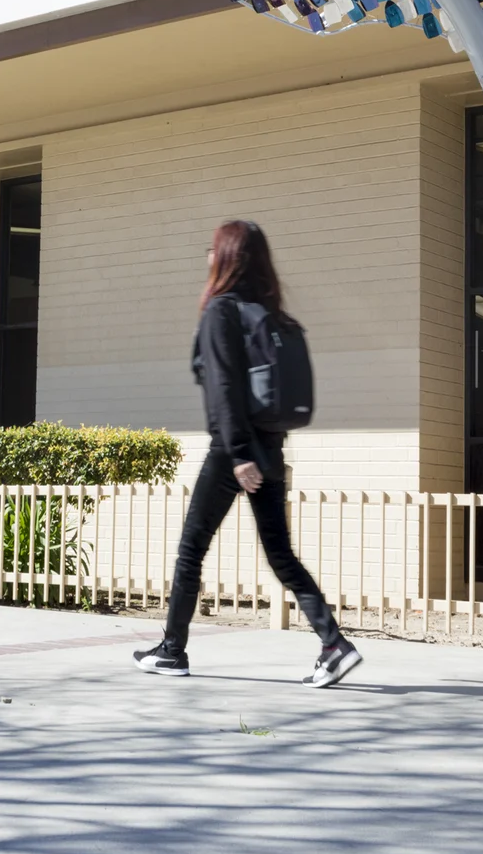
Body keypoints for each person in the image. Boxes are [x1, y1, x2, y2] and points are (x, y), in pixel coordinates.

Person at [134, 220, 362, 687]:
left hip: (232, 452)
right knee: (280, 554)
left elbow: (223, 388)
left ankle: (172, 651)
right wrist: (258, 453)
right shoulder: (271, 314)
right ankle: (333, 644)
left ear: (226, 257)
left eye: (211, 249)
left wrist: (238, 455)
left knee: (190, 550)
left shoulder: (222, 311)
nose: (206, 256)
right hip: (271, 448)